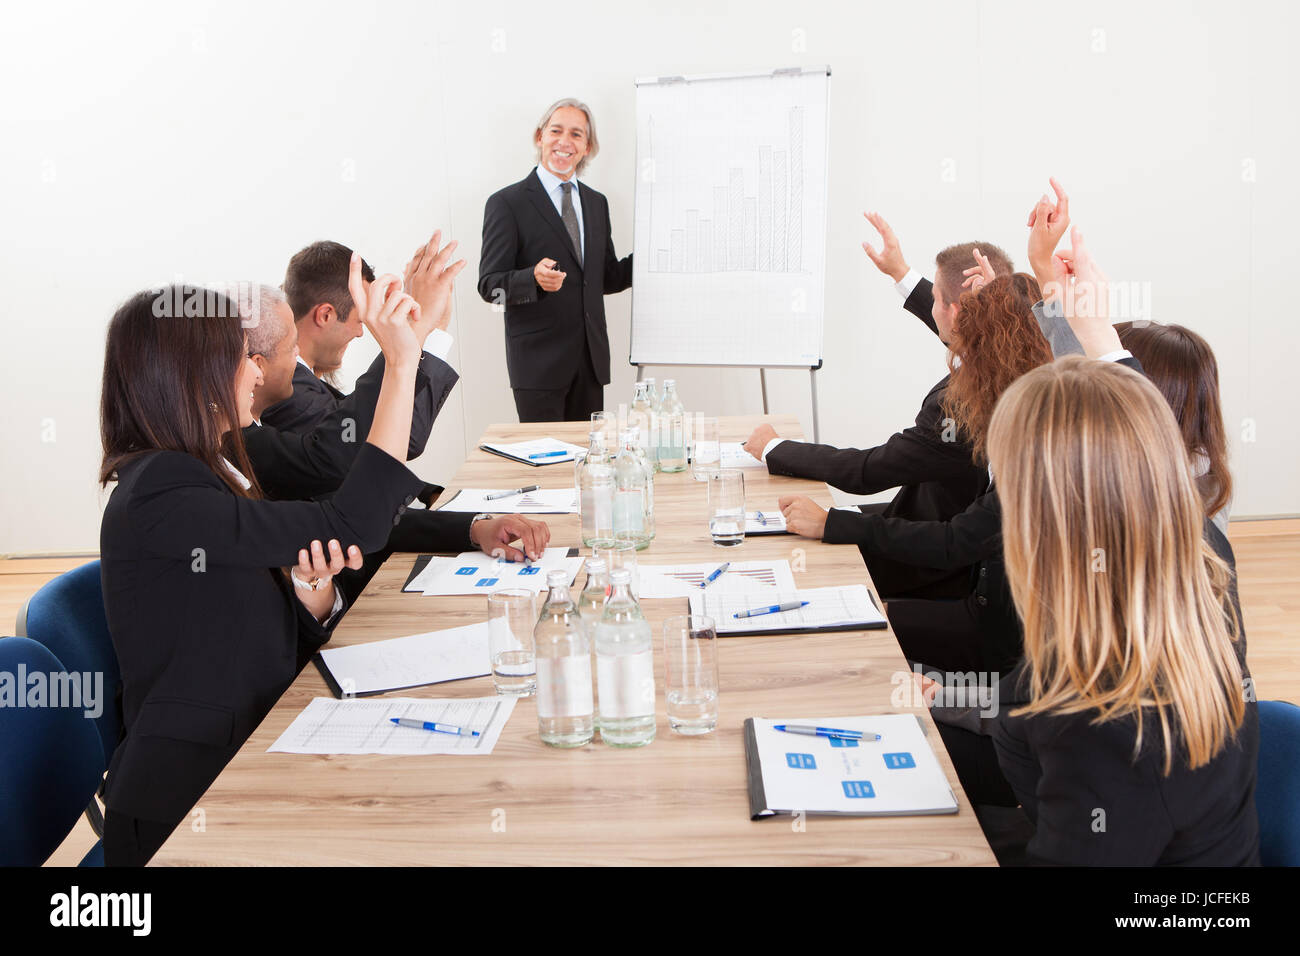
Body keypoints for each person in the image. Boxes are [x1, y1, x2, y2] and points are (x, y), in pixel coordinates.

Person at [98, 258, 428, 865]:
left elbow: (244, 614)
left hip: (255, 741)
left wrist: (313, 595)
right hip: (191, 804)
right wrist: (402, 364)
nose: (258, 370)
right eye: (240, 356)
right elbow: (350, 523)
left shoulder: (203, 470)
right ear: (188, 376)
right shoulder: (160, 487)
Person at [984, 241, 1257, 863]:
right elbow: (1132, 441)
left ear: (1044, 522)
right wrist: (1088, 323)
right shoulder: (1197, 564)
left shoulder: (1104, 731)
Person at [777, 270, 1052, 672]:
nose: (956, 361)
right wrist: (904, 271)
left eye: (967, 346)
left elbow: (954, 541)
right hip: (978, 584)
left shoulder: (1028, 452)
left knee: (857, 618)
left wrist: (832, 523)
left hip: (996, 631)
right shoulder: (1038, 384)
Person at [739, 217, 1010, 599]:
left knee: (808, 562)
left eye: (935, 300)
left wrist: (775, 448)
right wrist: (901, 273)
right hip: (928, 518)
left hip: (935, 559)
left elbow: (868, 471)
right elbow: (971, 325)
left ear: (956, 313)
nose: (931, 305)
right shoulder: (1010, 365)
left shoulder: (957, 413)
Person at [240, 280, 551, 603]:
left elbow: (355, 506)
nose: (299, 355)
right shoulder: (250, 439)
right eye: (293, 347)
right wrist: (404, 348)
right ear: (257, 366)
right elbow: (343, 470)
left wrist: (473, 528)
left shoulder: (267, 426)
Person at [478, 97, 633, 423]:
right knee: (548, 468)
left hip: (590, 364)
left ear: (588, 146)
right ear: (540, 137)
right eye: (556, 131)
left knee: (590, 465)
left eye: (576, 134)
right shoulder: (507, 203)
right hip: (538, 366)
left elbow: (605, 277)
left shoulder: (596, 203)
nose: (565, 141)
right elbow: (490, 286)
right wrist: (532, 280)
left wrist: (648, 259)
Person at [263, 237, 459, 467]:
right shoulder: (288, 385)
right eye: (360, 320)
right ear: (325, 315)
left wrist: (430, 329)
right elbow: (400, 442)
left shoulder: (308, 384)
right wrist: (420, 329)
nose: (360, 333)